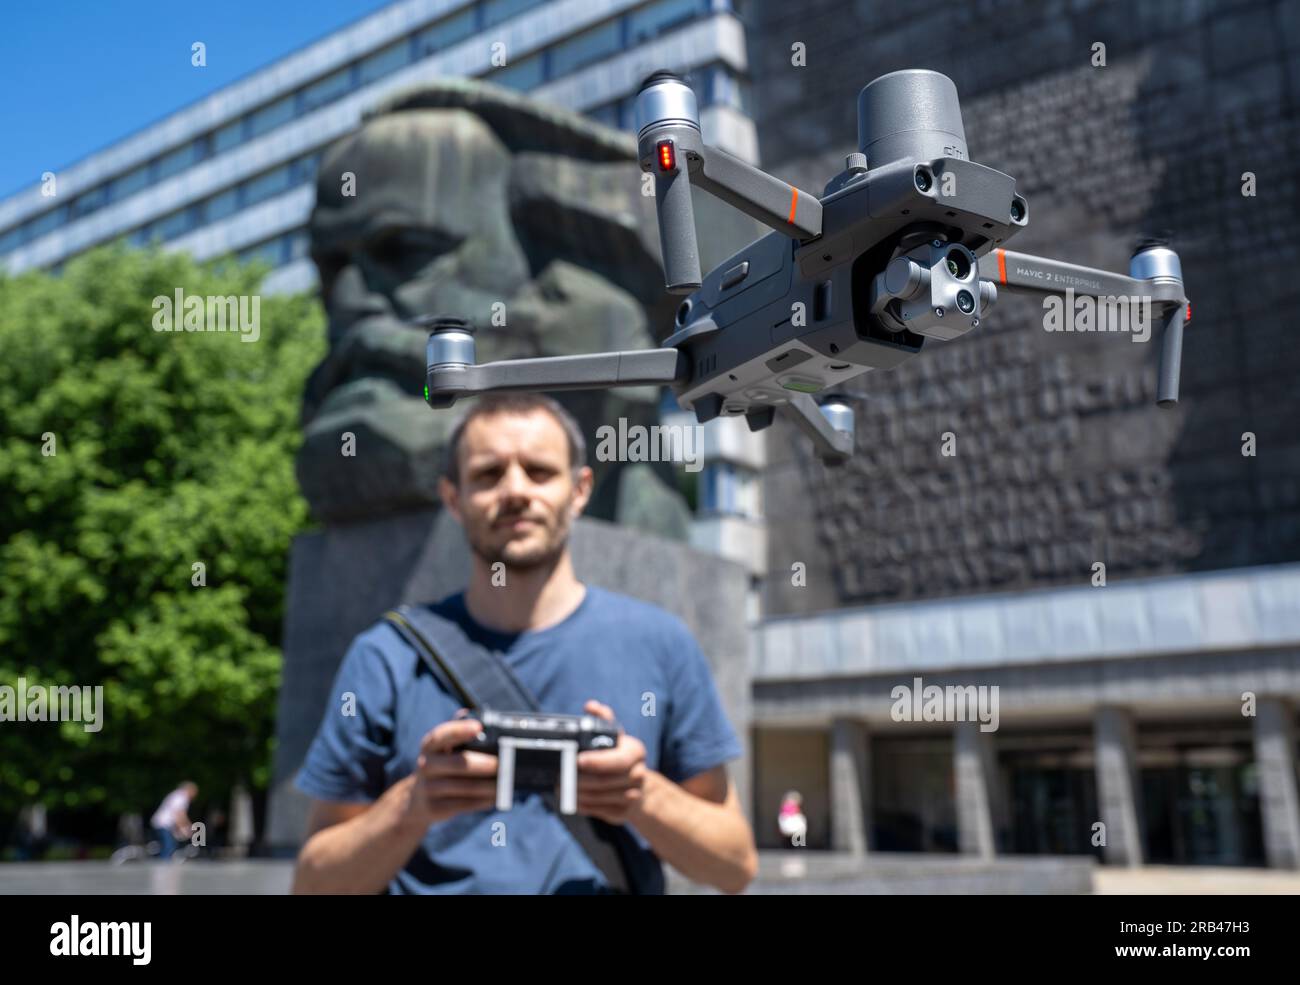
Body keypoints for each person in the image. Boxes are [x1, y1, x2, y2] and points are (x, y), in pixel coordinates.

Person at [292, 393, 757, 894]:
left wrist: (640, 794)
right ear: (453, 498)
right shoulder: (385, 655)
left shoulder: (663, 645)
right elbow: (315, 884)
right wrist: (413, 805)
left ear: (580, 490)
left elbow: (734, 867)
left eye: (539, 472)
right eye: (489, 474)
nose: (515, 491)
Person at [150, 781, 197, 859]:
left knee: (168, 845)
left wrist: (187, 825)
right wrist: (184, 828)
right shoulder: (181, 797)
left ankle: (164, 864)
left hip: (162, 823)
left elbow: (181, 814)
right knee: (169, 846)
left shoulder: (177, 795)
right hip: (163, 823)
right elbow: (178, 814)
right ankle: (164, 867)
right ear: (190, 790)